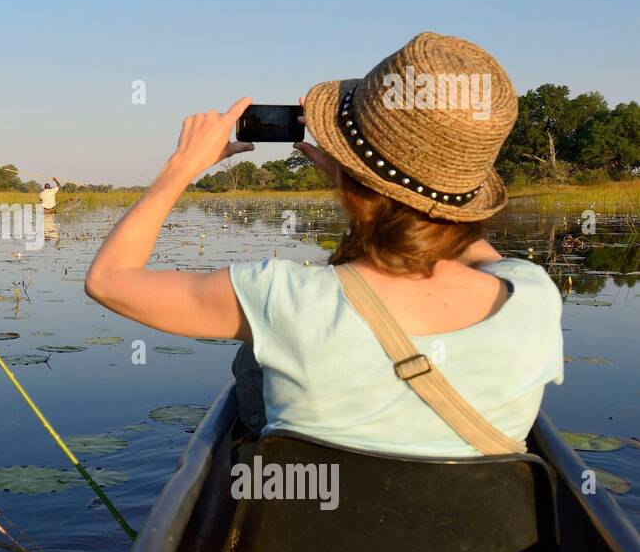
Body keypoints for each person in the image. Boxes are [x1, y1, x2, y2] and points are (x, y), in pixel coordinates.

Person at [84, 32, 563, 459]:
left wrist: (182, 166)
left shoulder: (281, 298)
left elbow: (109, 281)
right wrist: (374, 183)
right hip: (488, 548)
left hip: (305, 550)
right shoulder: (533, 295)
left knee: (255, 364)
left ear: (353, 176)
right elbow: (465, 244)